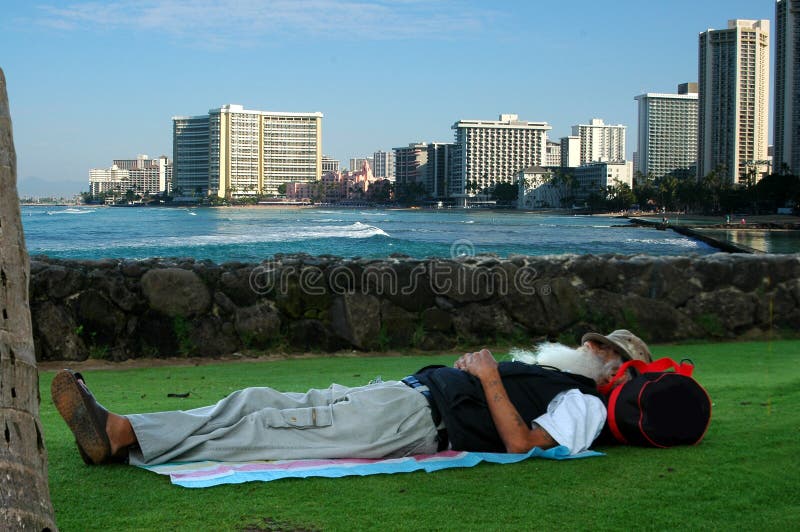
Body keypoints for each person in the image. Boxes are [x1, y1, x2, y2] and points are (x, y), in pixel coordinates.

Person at [51, 329, 652, 466]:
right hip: (400, 394)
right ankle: (126, 435)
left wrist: (491, 376)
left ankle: (124, 434)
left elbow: (522, 443)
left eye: (600, 347)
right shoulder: (557, 374)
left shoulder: (589, 405)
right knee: (258, 395)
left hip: (418, 420)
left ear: (616, 368)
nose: (586, 345)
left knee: (273, 428)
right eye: (591, 340)